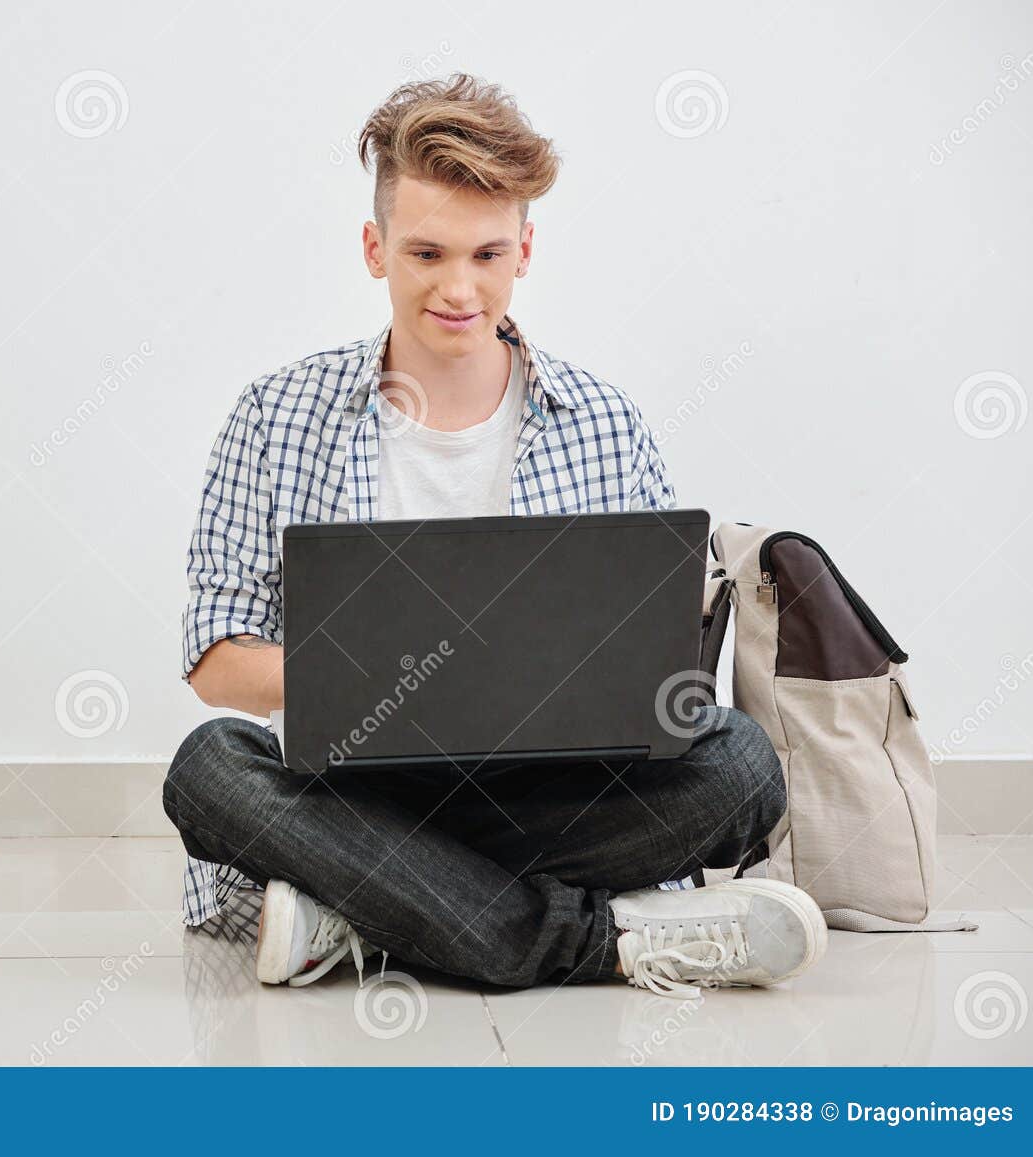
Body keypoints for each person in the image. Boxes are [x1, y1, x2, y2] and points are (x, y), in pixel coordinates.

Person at [162, 74, 826, 999]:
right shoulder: (277, 414)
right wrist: (374, 668)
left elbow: (666, 666)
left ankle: (371, 907)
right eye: (426, 252)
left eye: (487, 253)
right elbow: (214, 658)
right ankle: (604, 943)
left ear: (525, 250)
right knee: (210, 772)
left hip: (546, 797)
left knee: (743, 767)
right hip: (356, 794)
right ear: (374, 249)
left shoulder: (603, 420)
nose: (458, 287)